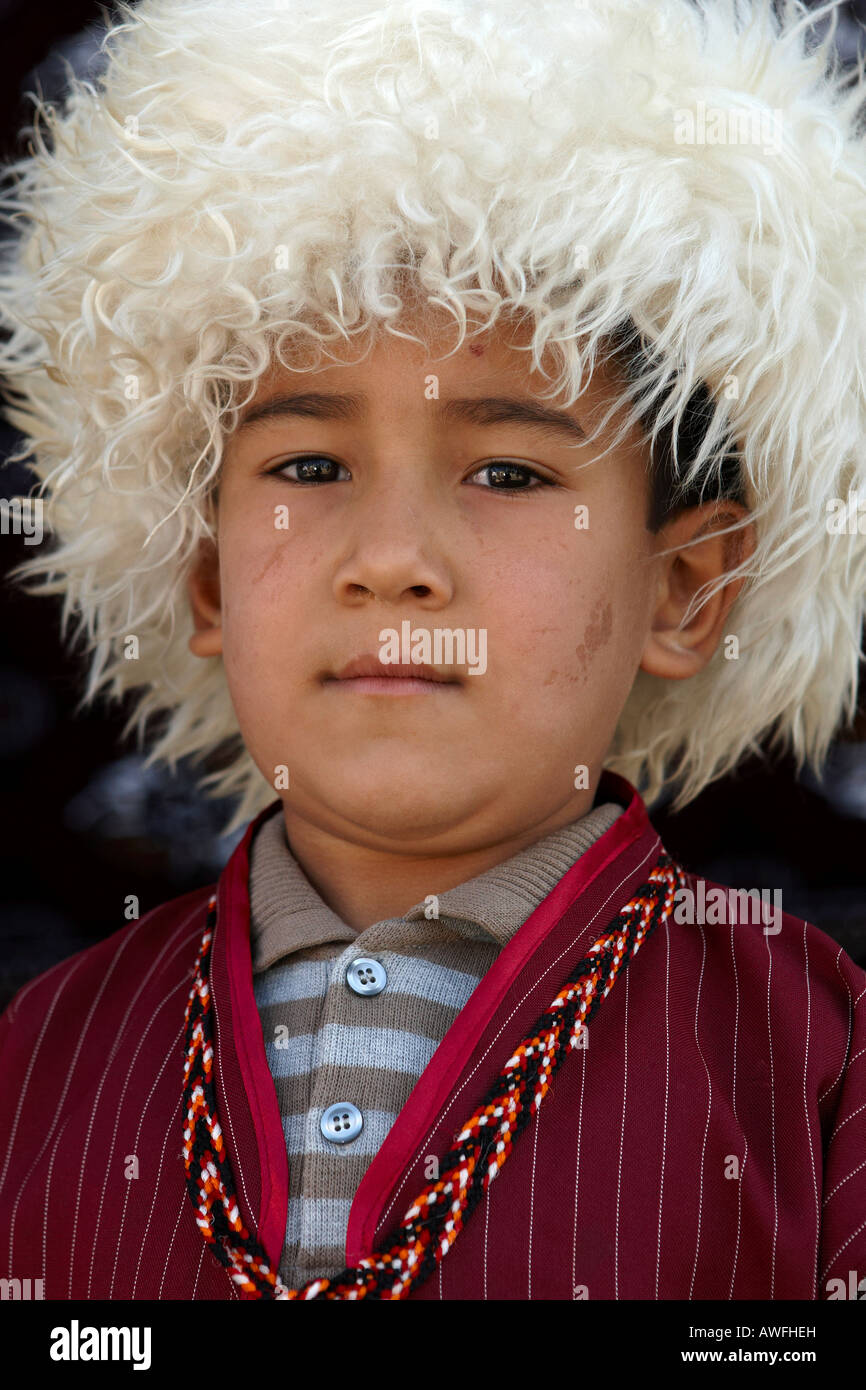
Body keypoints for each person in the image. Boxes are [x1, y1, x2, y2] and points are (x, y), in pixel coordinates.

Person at [0, 0, 864, 1301]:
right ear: (207, 576)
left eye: (509, 469)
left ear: (683, 588)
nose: (391, 555)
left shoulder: (816, 1062)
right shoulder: (44, 1048)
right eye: (306, 464)